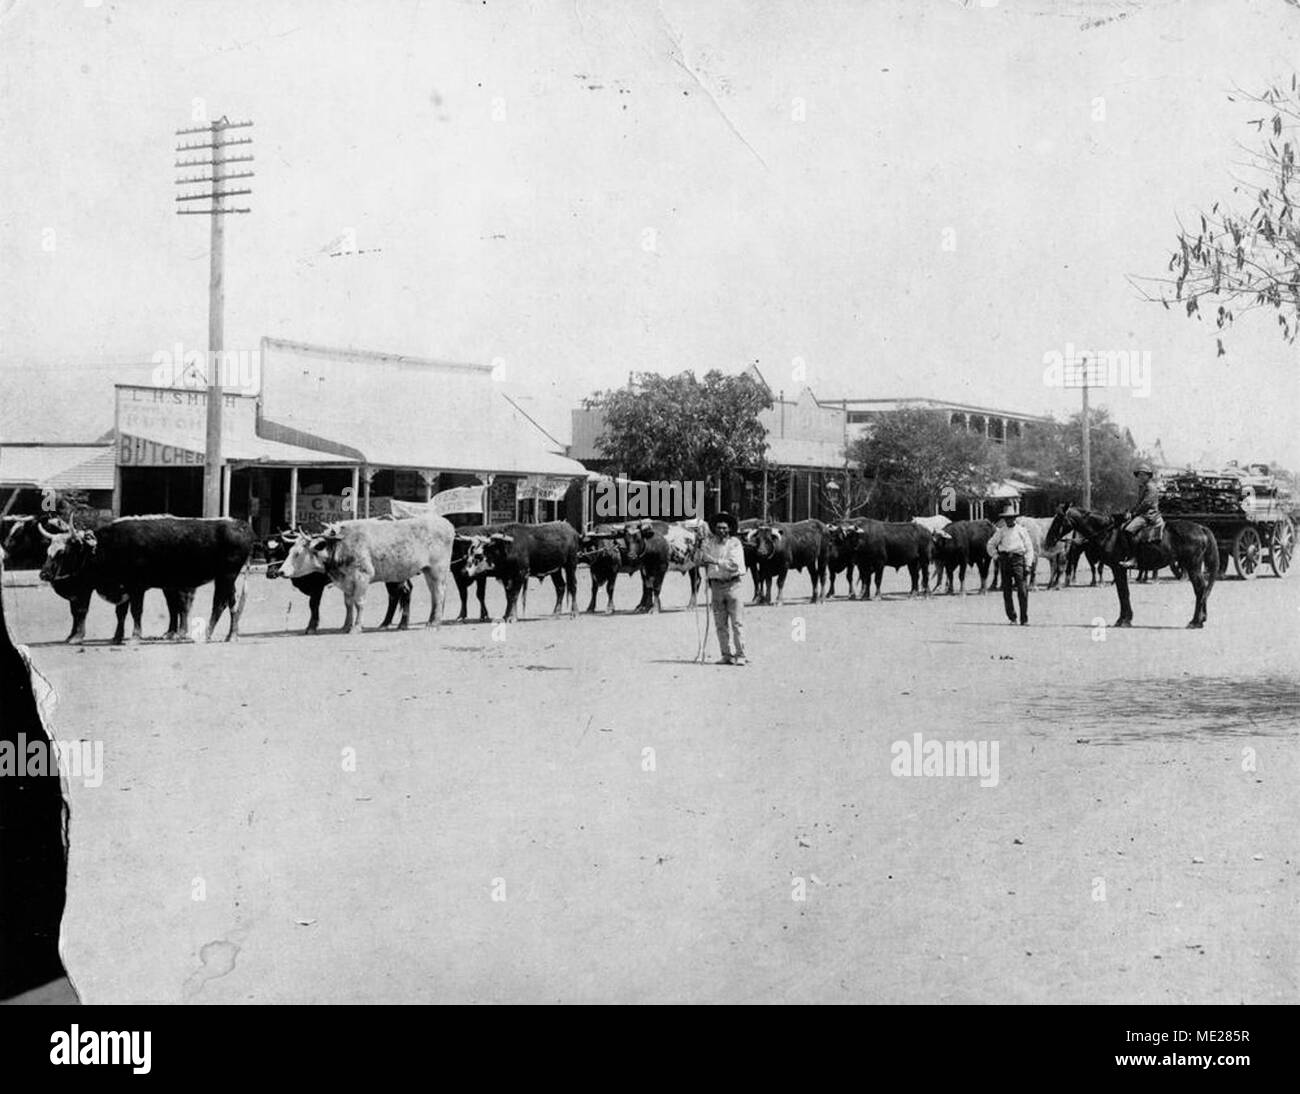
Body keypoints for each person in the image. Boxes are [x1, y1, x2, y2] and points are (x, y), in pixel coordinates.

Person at [700, 511, 747, 665]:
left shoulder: (735, 543)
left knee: (737, 623)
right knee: (720, 624)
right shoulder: (709, 543)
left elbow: (734, 565)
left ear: (729, 529)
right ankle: (726, 655)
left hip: (733, 585)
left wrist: (713, 561)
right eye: (719, 527)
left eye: (724, 528)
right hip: (716, 587)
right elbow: (700, 559)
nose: (722, 530)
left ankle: (741, 655)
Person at [986, 502, 1034, 625]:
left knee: (1022, 590)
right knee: (1007, 591)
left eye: (1011, 517)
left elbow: (1029, 548)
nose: (1009, 520)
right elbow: (990, 544)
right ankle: (1012, 617)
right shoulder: (1001, 531)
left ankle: (1024, 619)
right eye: (1006, 518)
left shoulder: (1022, 530)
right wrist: (996, 556)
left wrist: (1028, 564)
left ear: (1015, 518)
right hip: (1005, 560)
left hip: (1019, 560)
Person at [1116, 461, 1161, 567]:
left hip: (1149, 515)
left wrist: (1134, 513)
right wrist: (1131, 512)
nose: (1140, 477)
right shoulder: (1142, 487)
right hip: (1143, 513)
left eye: (1143, 475)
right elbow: (1139, 503)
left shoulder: (1151, 487)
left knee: (1128, 530)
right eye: (1139, 475)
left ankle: (1134, 558)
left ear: (1148, 476)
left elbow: (1147, 503)